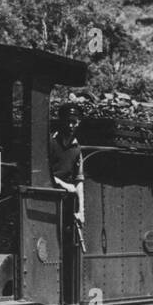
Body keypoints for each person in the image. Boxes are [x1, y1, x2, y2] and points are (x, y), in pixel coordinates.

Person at [51, 104, 85, 246]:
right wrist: (64, 184)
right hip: (48, 200)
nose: (71, 125)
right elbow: (41, 172)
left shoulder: (77, 150)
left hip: (66, 203)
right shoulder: (49, 142)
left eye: (75, 122)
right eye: (68, 121)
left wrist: (81, 211)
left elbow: (79, 181)